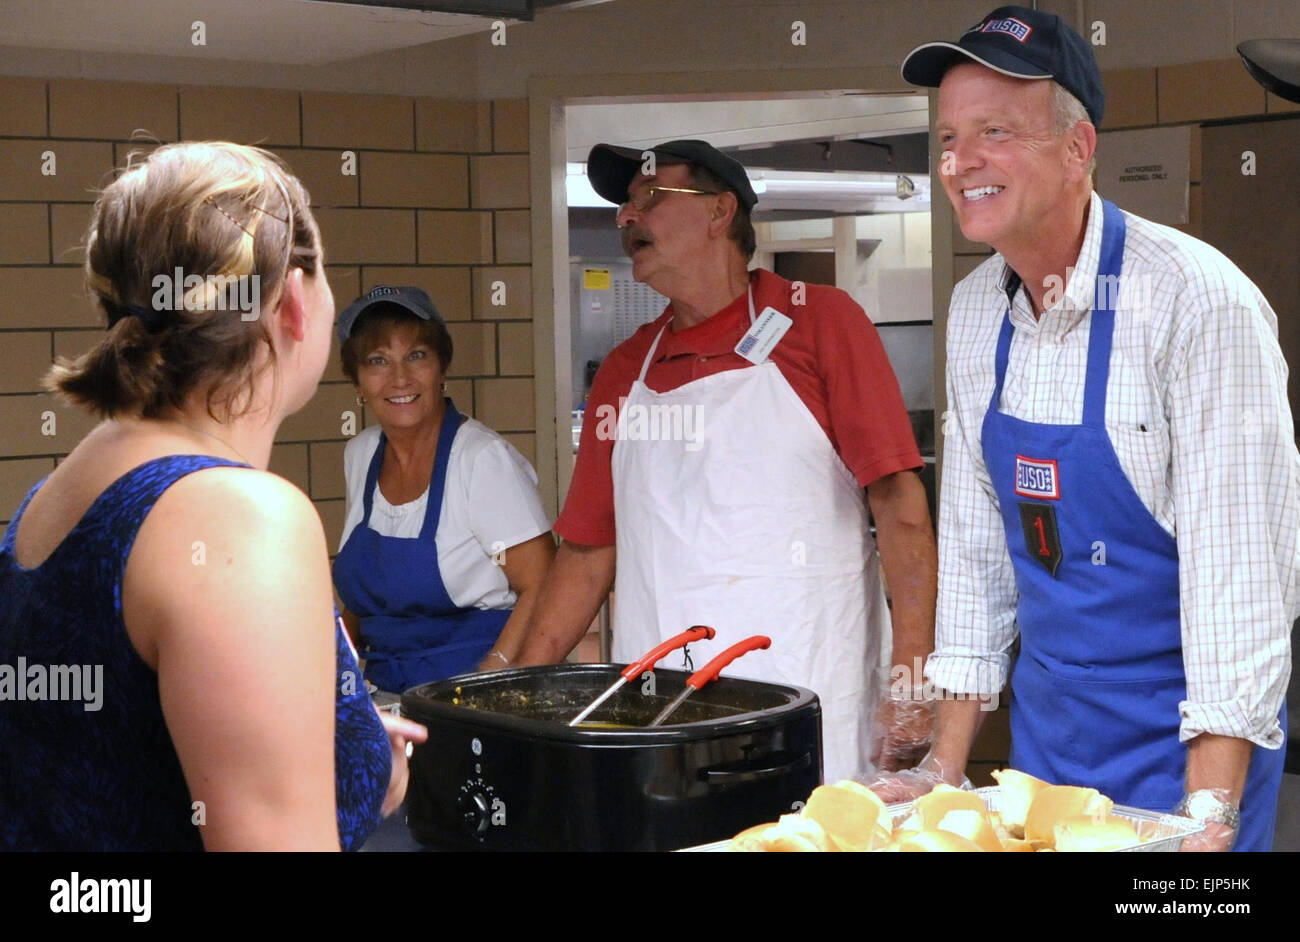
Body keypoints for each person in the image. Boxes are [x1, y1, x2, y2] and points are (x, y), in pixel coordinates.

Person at [887, 5, 1295, 851]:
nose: (961, 162)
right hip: (1048, 748)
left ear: (1079, 150)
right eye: (950, 138)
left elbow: (1242, 582)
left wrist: (1207, 816)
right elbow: (972, 555)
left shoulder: (1195, 302)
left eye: (995, 131)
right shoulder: (974, 312)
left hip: (1183, 752)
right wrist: (944, 769)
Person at [0, 141, 426, 851]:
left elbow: (117, 753)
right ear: (293, 298)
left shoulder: (65, 485)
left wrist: (346, 745)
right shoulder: (237, 520)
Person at [514, 139, 938, 783]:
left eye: (651, 200)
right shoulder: (626, 370)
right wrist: (522, 699)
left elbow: (899, 506)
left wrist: (911, 679)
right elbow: (586, 553)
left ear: (719, 213)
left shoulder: (821, 323)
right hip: (663, 714)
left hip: (810, 695)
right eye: (627, 206)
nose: (628, 219)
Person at [332, 286, 555, 692]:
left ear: (442, 368)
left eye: (417, 355)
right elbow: (371, 602)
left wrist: (492, 675)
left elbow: (542, 585)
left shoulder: (482, 459)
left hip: (476, 694)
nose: (400, 378)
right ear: (358, 382)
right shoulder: (361, 454)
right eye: (378, 361)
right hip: (384, 693)